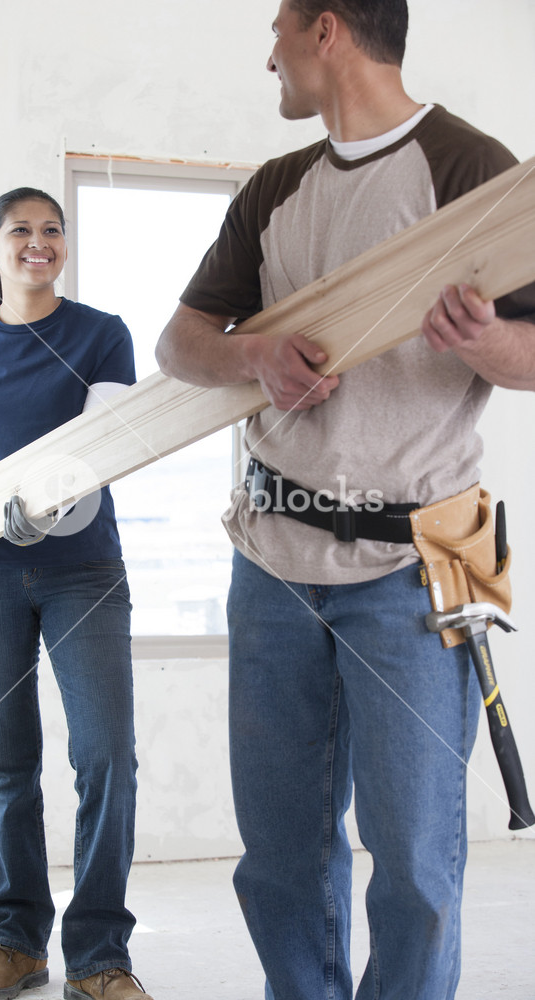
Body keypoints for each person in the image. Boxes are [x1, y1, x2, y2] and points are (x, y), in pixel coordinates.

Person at [155, 3, 535, 998]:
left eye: (278, 25)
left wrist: (484, 343)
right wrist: (251, 356)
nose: (266, 51)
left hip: (439, 542)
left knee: (415, 853)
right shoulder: (276, 189)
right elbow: (177, 344)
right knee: (278, 851)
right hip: (271, 555)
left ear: (327, 31)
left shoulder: (475, 170)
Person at [0, 187, 154, 1000]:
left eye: (52, 230)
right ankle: (17, 943)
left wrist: (53, 510)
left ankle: (100, 956)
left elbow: (99, 453)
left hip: (84, 570)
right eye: (20, 232)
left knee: (105, 754)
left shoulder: (100, 334)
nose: (37, 243)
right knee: (6, 764)